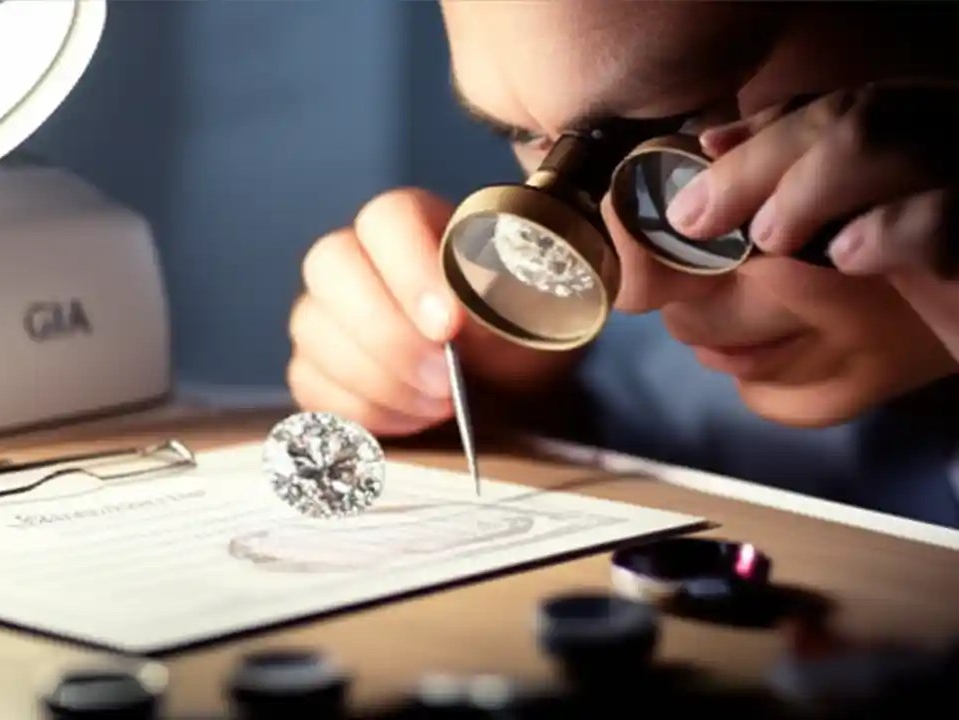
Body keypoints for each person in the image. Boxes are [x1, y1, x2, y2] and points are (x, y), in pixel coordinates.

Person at [286, 1, 959, 528]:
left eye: (688, 151)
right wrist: (504, 398)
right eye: (526, 137)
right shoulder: (652, 377)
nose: (633, 291)